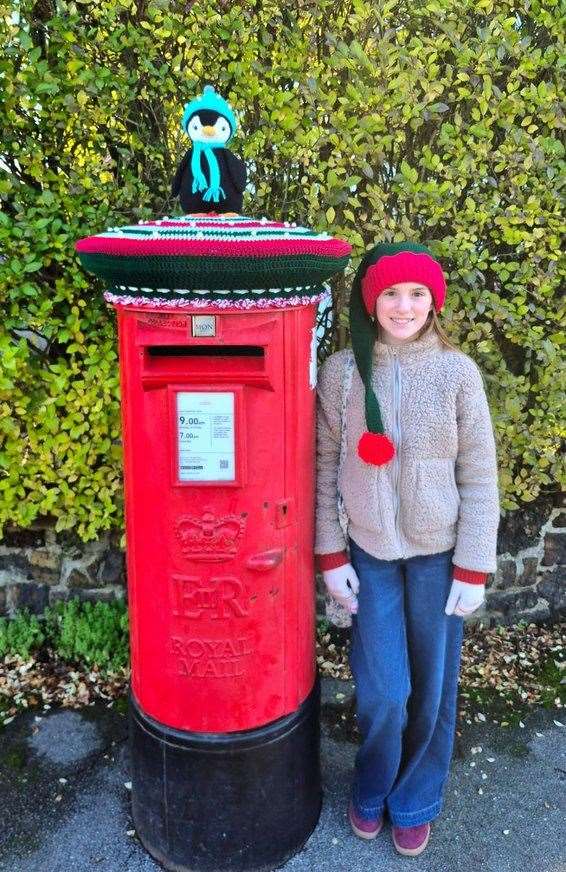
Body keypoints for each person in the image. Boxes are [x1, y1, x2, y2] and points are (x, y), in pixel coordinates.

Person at [315, 242, 500, 857]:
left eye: (417, 293)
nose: (403, 306)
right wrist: (331, 555)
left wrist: (473, 566)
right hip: (368, 554)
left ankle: (414, 799)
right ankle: (370, 784)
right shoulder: (343, 374)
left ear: (433, 301)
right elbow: (322, 468)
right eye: (391, 293)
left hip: (438, 557)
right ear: (371, 300)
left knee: (434, 688)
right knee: (386, 689)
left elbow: (479, 475)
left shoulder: (457, 374)